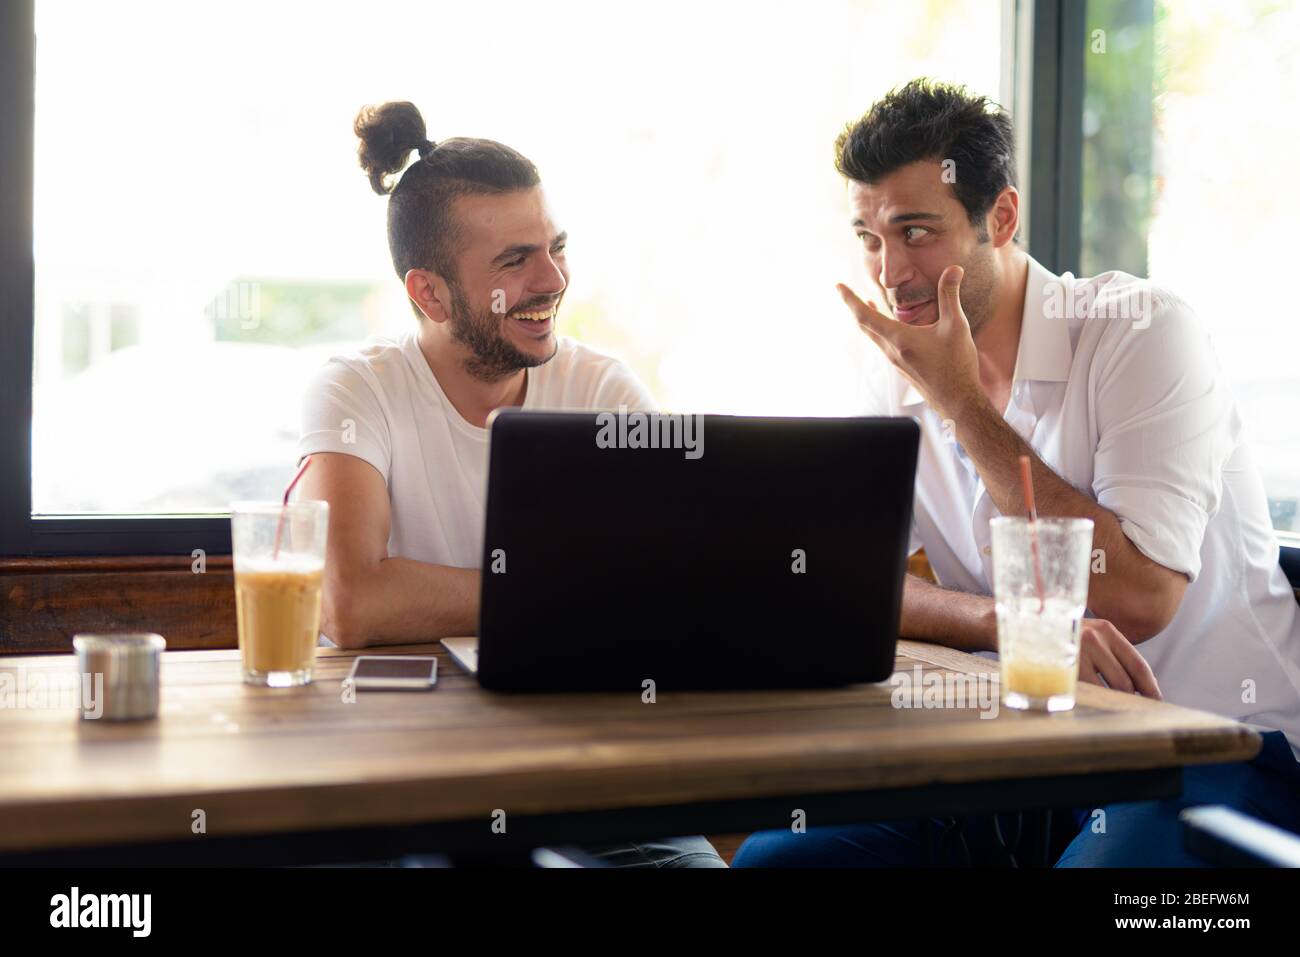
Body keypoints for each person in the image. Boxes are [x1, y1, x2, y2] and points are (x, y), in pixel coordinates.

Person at [734, 79, 1300, 867]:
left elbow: (1139, 596)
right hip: (1019, 752)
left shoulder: (1139, 333)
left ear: (1000, 217)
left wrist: (962, 406)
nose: (890, 271)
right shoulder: (890, 368)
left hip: (1213, 747)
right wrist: (995, 622)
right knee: (781, 862)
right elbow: (851, 582)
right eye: (868, 235)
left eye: (916, 231)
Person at [296, 100, 724, 868]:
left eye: (556, 248)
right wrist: (568, 593)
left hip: (590, 780)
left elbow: (674, 584)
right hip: (404, 774)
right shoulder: (357, 391)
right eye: (515, 260)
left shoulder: (604, 390)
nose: (553, 278)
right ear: (428, 293)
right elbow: (350, 601)